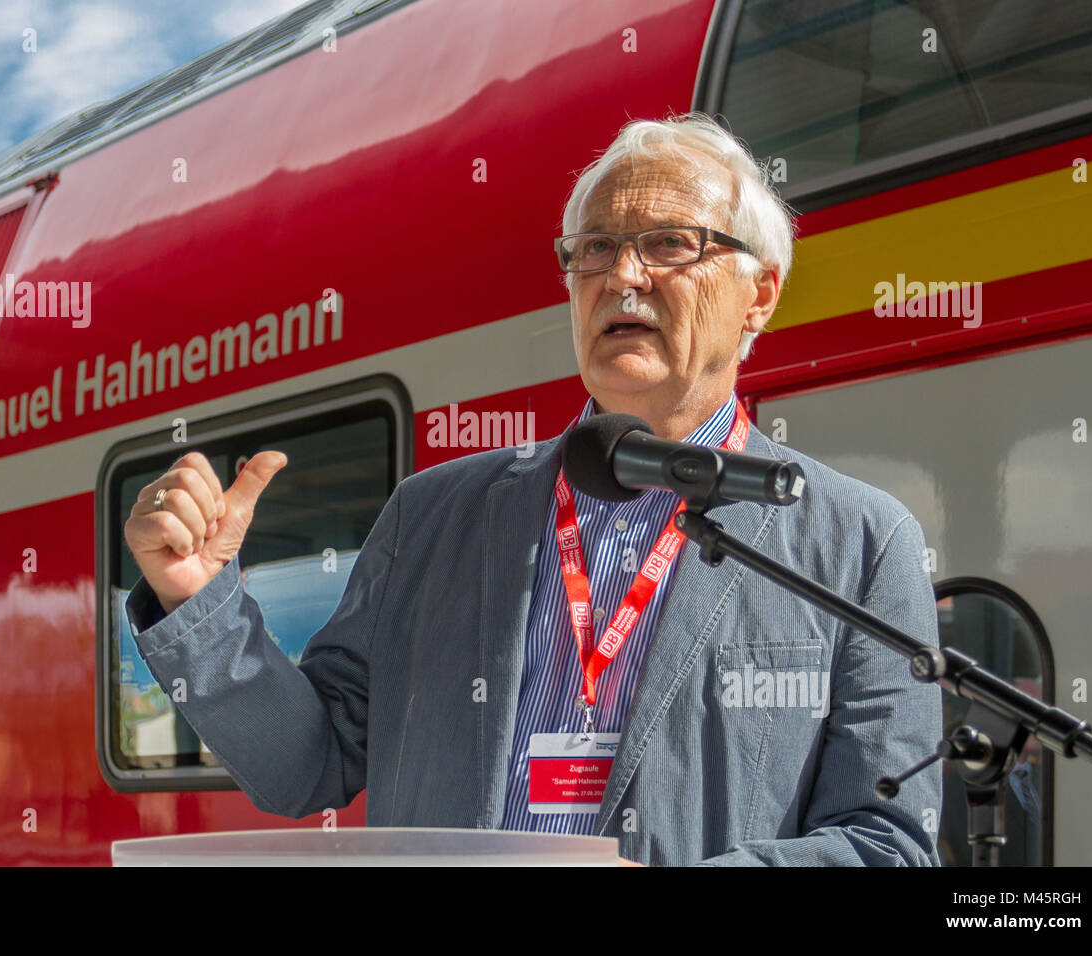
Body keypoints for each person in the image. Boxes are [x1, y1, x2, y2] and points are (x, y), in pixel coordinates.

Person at [123, 112, 943, 866]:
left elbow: (889, 844)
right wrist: (199, 603)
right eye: (594, 248)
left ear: (758, 294)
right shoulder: (431, 515)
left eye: (669, 244)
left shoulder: (860, 543)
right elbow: (305, 764)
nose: (623, 276)